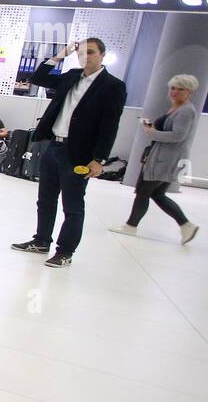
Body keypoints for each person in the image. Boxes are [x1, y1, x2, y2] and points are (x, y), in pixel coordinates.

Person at [11, 37, 126, 268]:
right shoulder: (72, 76)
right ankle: (41, 240)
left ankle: (65, 251)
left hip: (79, 153)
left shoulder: (112, 86)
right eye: (82, 53)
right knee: (45, 199)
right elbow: (38, 78)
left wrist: (99, 159)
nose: (86, 57)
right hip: (53, 145)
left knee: (72, 205)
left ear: (102, 55)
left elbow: (110, 125)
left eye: (91, 52)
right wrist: (60, 55)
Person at [110, 74, 200, 243]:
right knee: (157, 194)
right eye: (173, 88)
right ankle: (186, 225)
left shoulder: (186, 111)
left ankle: (131, 225)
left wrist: (153, 132)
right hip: (161, 157)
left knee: (144, 192)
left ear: (189, 91)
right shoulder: (177, 108)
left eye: (180, 89)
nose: (174, 92)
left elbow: (178, 135)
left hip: (166, 159)